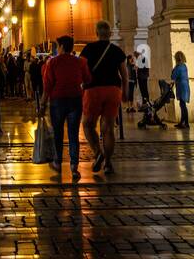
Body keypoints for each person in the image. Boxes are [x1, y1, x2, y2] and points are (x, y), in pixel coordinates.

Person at [80, 21, 129, 175]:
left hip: (93, 90)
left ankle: (97, 152)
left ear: (96, 33)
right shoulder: (117, 51)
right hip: (113, 91)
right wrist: (126, 92)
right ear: (109, 34)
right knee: (108, 129)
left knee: (88, 125)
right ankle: (108, 164)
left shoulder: (88, 49)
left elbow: (82, 71)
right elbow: (125, 75)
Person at [41, 36, 91, 178]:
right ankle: (74, 166)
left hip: (57, 101)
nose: (57, 48)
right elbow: (88, 79)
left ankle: (57, 162)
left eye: (57, 46)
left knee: (58, 133)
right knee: (73, 134)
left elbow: (48, 85)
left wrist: (43, 104)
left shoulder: (52, 63)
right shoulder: (80, 62)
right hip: (75, 99)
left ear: (62, 47)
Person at [171, 51, 191, 129]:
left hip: (181, 86)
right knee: (183, 105)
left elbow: (173, 76)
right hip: (185, 86)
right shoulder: (184, 66)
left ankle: (185, 123)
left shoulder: (178, 67)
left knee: (182, 105)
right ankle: (183, 122)